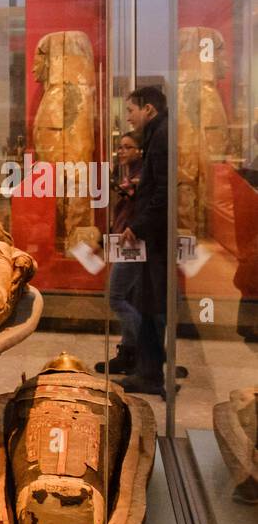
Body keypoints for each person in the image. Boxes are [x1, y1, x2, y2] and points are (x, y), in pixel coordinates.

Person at [119, 86, 171, 396]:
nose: (128, 117)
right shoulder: (158, 134)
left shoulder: (160, 137)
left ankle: (151, 373)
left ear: (148, 109)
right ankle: (149, 367)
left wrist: (137, 226)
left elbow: (162, 192)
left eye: (131, 110)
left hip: (153, 236)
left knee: (151, 305)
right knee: (147, 302)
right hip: (152, 233)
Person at [96, 132, 143, 375]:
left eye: (128, 147)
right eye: (120, 147)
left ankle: (135, 350)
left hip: (133, 243)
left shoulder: (140, 177)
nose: (122, 151)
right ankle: (131, 349)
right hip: (124, 239)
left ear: (139, 151)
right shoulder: (126, 174)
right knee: (129, 297)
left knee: (116, 297)